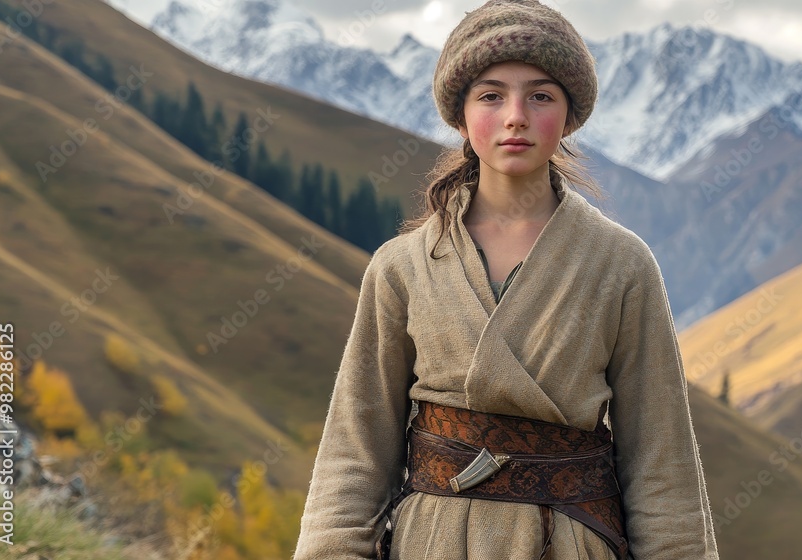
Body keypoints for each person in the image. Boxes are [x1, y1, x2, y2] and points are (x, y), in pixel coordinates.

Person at [292, 1, 720, 558]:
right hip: (433, 543)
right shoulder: (401, 267)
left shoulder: (620, 264)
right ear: (462, 115)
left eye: (540, 96)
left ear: (567, 117)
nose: (516, 115)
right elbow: (355, 452)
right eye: (491, 95)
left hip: (570, 543)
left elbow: (661, 463)